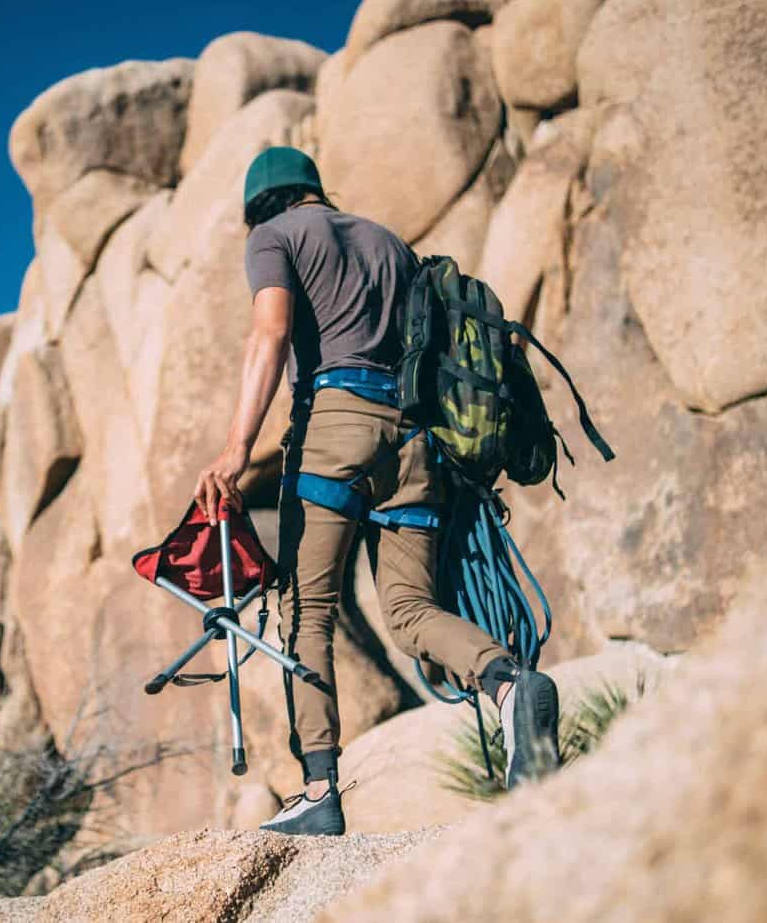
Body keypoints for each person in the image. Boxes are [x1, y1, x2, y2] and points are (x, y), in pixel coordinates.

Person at [192, 147, 561, 837]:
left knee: (309, 610)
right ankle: (511, 683)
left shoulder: (275, 238)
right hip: (416, 441)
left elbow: (270, 334)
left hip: (335, 425)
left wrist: (237, 449)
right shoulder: (390, 243)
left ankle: (319, 790)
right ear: (313, 189)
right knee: (412, 608)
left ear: (259, 208)